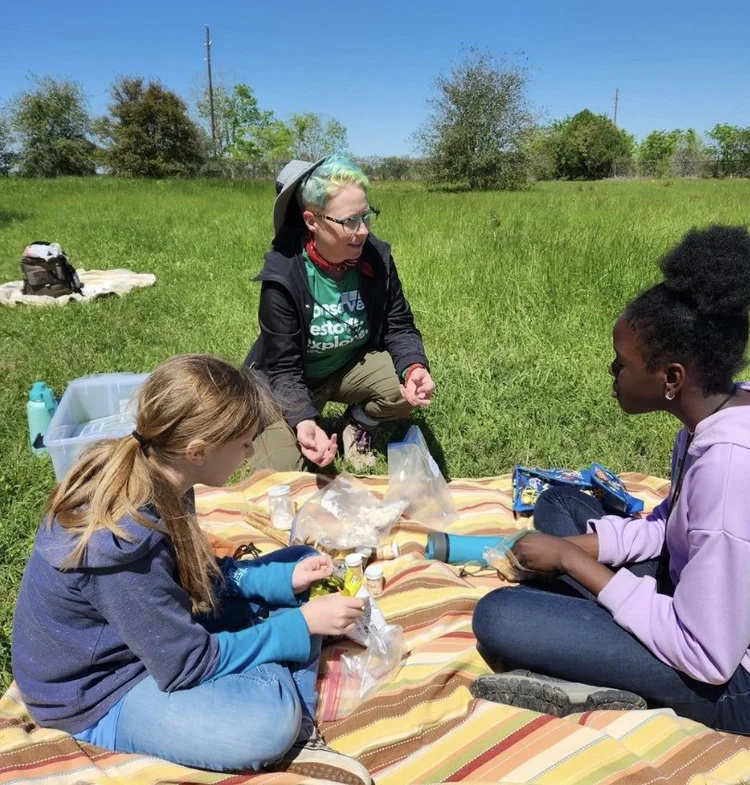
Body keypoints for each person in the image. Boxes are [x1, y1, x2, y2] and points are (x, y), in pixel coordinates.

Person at [11, 354, 372, 784]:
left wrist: (271, 580)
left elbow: (190, 570)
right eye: (244, 443)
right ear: (197, 452)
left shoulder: (161, 474)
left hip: (149, 635)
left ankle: (283, 635)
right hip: (104, 690)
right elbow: (186, 664)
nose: (251, 452)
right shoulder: (122, 545)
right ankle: (296, 730)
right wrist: (298, 625)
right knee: (267, 721)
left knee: (294, 565)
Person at [471, 226, 750, 735]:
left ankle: (597, 682)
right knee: (560, 503)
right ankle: (577, 634)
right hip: (697, 597)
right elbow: (672, 524)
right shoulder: (715, 414)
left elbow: (706, 653)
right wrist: (571, 545)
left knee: (499, 616)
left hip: (731, 682)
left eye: (622, 364)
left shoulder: (731, 468)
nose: (611, 371)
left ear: (671, 378)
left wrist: (571, 560)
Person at [245, 154, 435, 472]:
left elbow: (398, 322)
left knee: (402, 389)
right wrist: (303, 420)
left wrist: (413, 366)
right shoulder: (283, 277)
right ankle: (305, 422)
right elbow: (283, 369)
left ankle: (357, 424)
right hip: (290, 381)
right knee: (274, 477)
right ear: (312, 221)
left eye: (366, 216)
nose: (362, 231)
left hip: (346, 366)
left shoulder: (376, 257)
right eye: (349, 221)